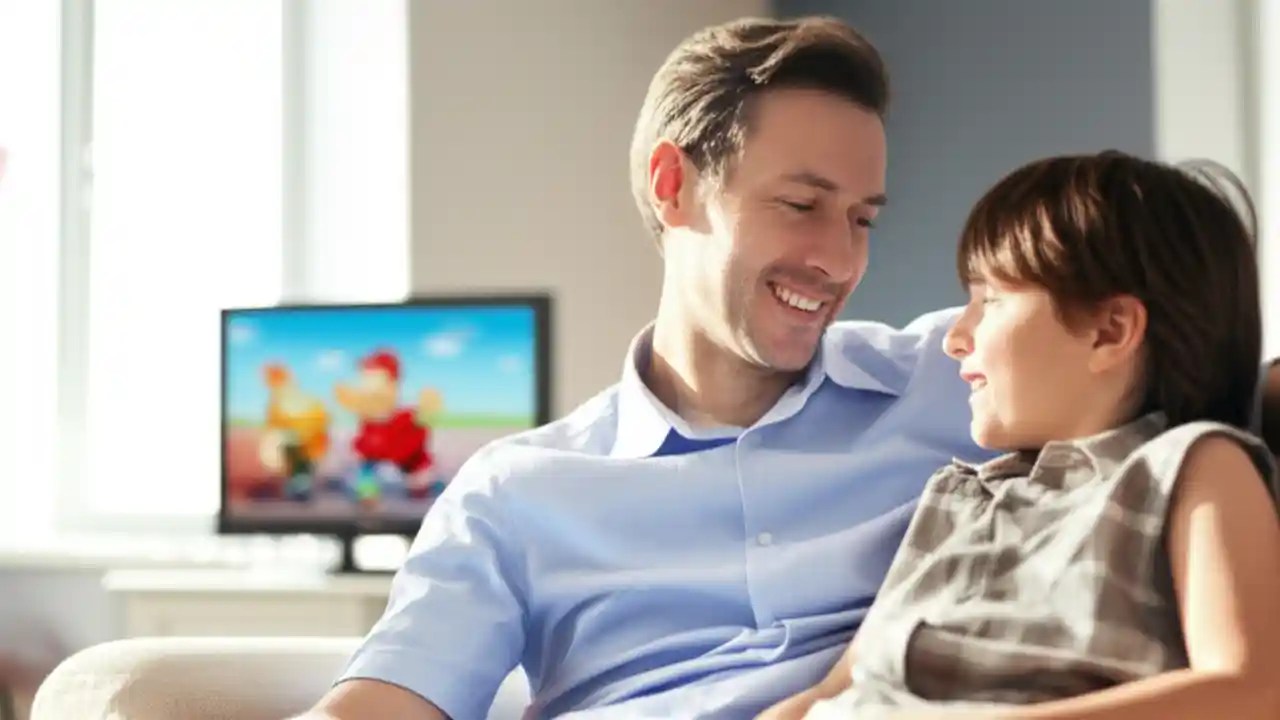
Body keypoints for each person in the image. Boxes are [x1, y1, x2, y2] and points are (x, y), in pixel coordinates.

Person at [298, 15, 986, 720]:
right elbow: (381, 705)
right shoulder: (513, 493)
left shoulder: (965, 377)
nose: (839, 261)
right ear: (673, 184)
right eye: (801, 205)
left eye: (862, 219)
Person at [762, 153, 1280, 719]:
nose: (955, 338)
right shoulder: (956, 499)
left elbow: (1249, 690)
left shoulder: (1192, 467)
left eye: (990, 301)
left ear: (1110, 331)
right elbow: (841, 685)